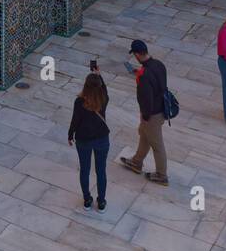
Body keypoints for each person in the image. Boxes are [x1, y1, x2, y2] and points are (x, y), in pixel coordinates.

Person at [119, 38, 170, 185]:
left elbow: (146, 99)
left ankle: (162, 175)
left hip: (151, 115)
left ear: (136, 54)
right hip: (161, 110)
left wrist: (145, 116)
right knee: (144, 135)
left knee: (157, 145)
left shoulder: (144, 75)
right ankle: (136, 162)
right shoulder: (159, 65)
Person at [68, 70, 110, 211]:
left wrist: (70, 134)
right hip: (102, 139)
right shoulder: (103, 99)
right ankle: (102, 202)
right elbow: (104, 89)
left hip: (83, 140)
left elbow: (75, 120)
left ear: (85, 86)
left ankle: (87, 200)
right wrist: (100, 76)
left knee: (84, 170)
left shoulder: (80, 102)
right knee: (101, 171)